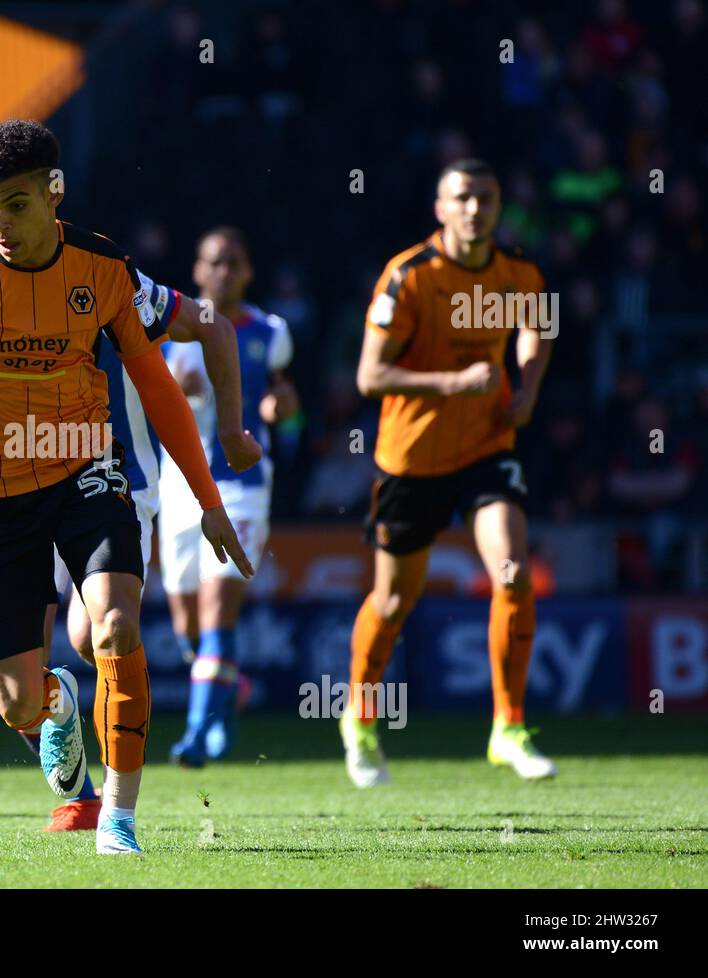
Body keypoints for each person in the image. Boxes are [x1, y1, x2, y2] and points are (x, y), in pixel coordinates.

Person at [0, 120, 251, 854]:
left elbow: (157, 384)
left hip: (87, 472)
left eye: (15, 205)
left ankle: (120, 818)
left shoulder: (104, 266)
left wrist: (208, 499)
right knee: (15, 706)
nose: (0, 225)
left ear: (53, 193)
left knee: (113, 626)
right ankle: (57, 706)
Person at [345, 158, 555, 786]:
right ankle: (358, 713)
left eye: (485, 198)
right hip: (411, 458)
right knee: (393, 600)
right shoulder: (409, 277)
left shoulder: (519, 271)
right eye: (462, 198)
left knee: (513, 574)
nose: (475, 209)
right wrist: (454, 382)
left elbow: (537, 328)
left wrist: (528, 385)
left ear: (498, 207)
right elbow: (369, 376)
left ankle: (509, 726)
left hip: (488, 448)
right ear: (441, 208)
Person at [156, 227, 296, 767]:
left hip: (241, 488)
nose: (223, 272)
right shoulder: (169, 332)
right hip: (180, 485)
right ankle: (225, 694)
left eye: (234, 263)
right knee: (188, 626)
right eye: (215, 262)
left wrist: (280, 410)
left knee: (218, 611)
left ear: (248, 273)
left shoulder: (269, 331)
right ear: (197, 270)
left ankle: (195, 736)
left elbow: (286, 397)